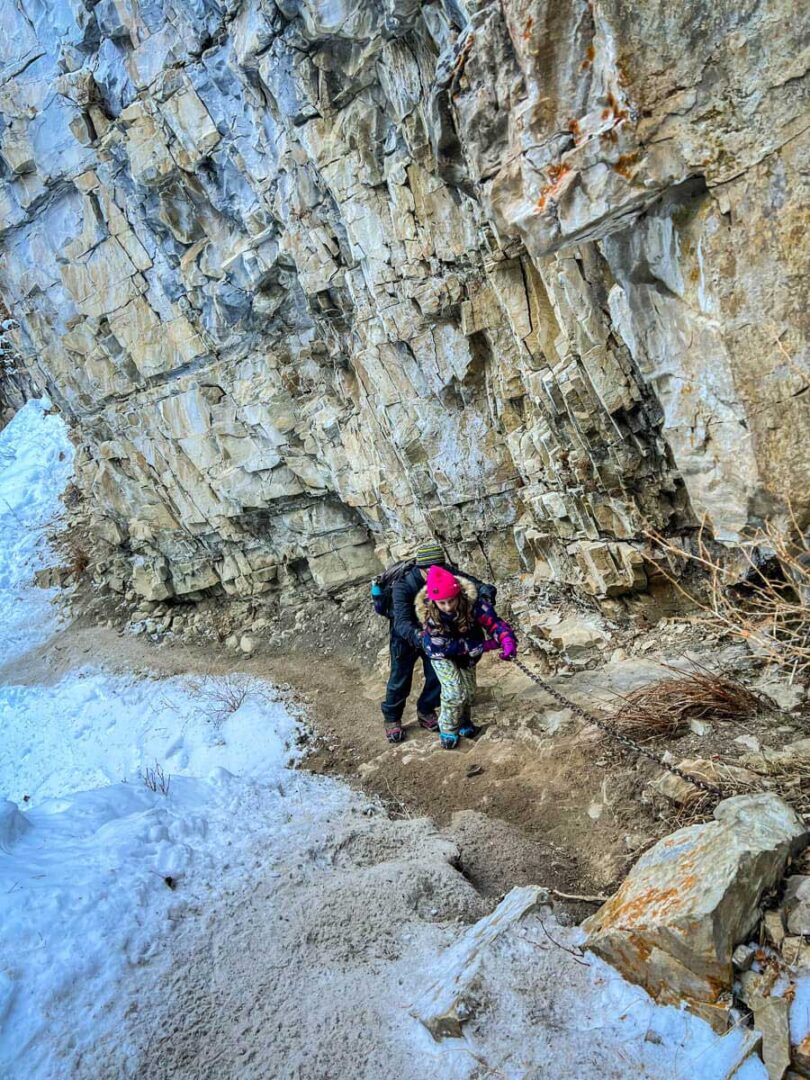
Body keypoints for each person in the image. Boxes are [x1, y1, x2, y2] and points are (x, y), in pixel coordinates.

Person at [377, 541, 496, 745]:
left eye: (440, 567)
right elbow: (402, 622)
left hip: (439, 633)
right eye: (431, 569)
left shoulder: (444, 572)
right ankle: (392, 717)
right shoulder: (403, 585)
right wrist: (420, 637)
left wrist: (485, 598)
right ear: (420, 568)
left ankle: (426, 710)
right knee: (400, 676)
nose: (437, 572)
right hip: (406, 636)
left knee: (435, 676)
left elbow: (478, 585)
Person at [416, 564, 517, 749]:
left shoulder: (474, 604)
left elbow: (494, 623)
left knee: (469, 693)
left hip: (469, 652)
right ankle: (448, 729)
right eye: (442, 602)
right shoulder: (430, 617)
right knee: (455, 692)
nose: (448, 606)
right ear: (433, 601)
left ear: (459, 595)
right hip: (441, 656)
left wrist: (506, 639)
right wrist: (484, 646)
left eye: (451, 600)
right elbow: (447, 647)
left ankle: (463, 722)